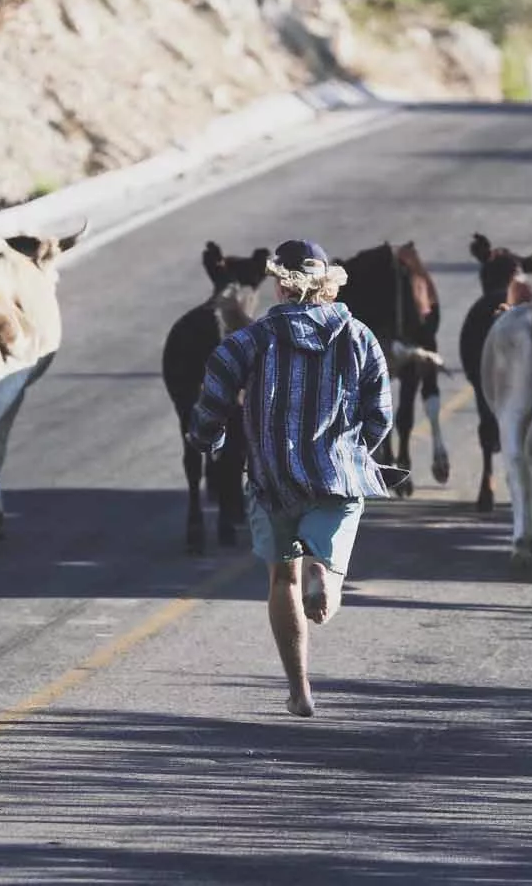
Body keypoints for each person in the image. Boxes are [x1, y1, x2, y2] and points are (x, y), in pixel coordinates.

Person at [189, 238, 393, 717]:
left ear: (280, 287)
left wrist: (208, 439)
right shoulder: (359, 336)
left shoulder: (247, 342)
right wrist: (354, 452)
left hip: (272, 481)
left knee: (282, 577)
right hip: (336, 478)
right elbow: (380, 413)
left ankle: (299, 690)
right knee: (328, 571)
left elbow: (212, 402)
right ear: (326, 284)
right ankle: (325, 575)